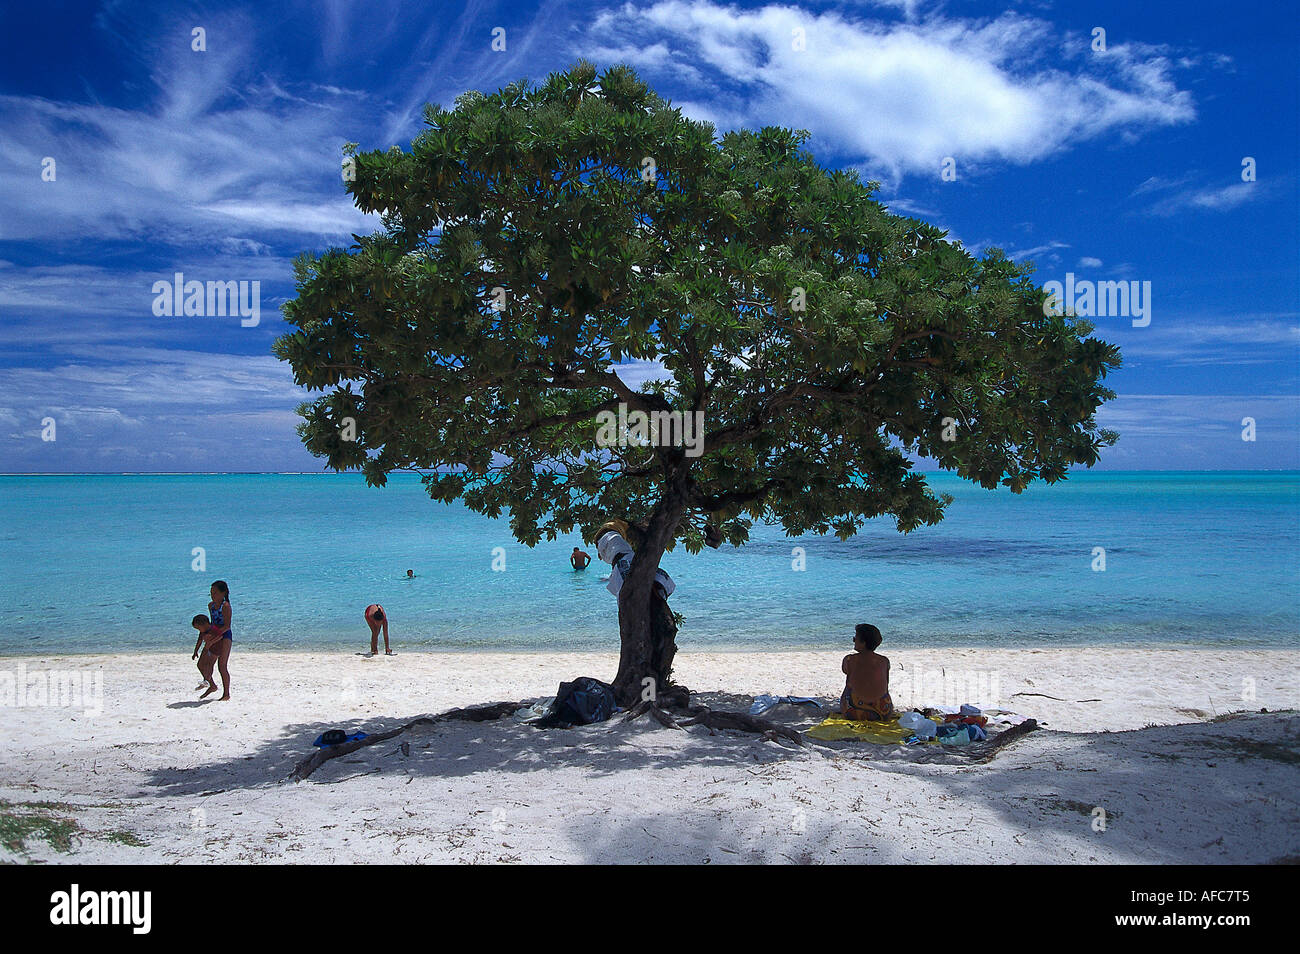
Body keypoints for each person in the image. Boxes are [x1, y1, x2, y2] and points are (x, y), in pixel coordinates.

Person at [835, 623, 892, 721]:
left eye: (855, 638)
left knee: (849, 683)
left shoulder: (849, 659)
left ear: (863, 643)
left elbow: (846, 671)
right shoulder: (884, 661)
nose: (853, 640)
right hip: (883, 711)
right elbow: (886, 682)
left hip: (854, 712)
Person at [192, 580, 232, 700]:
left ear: (223, 593)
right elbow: (212, 623)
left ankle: (226, 694)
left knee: (222, 666)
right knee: (205, 665)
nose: (212, 595)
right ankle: (212, 685)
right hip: (214, 635)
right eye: (211, 593)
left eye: (215, 592)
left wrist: (214, 638)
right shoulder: (211, 606)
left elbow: (227, 626)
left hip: (225, 637)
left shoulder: (225, 606)